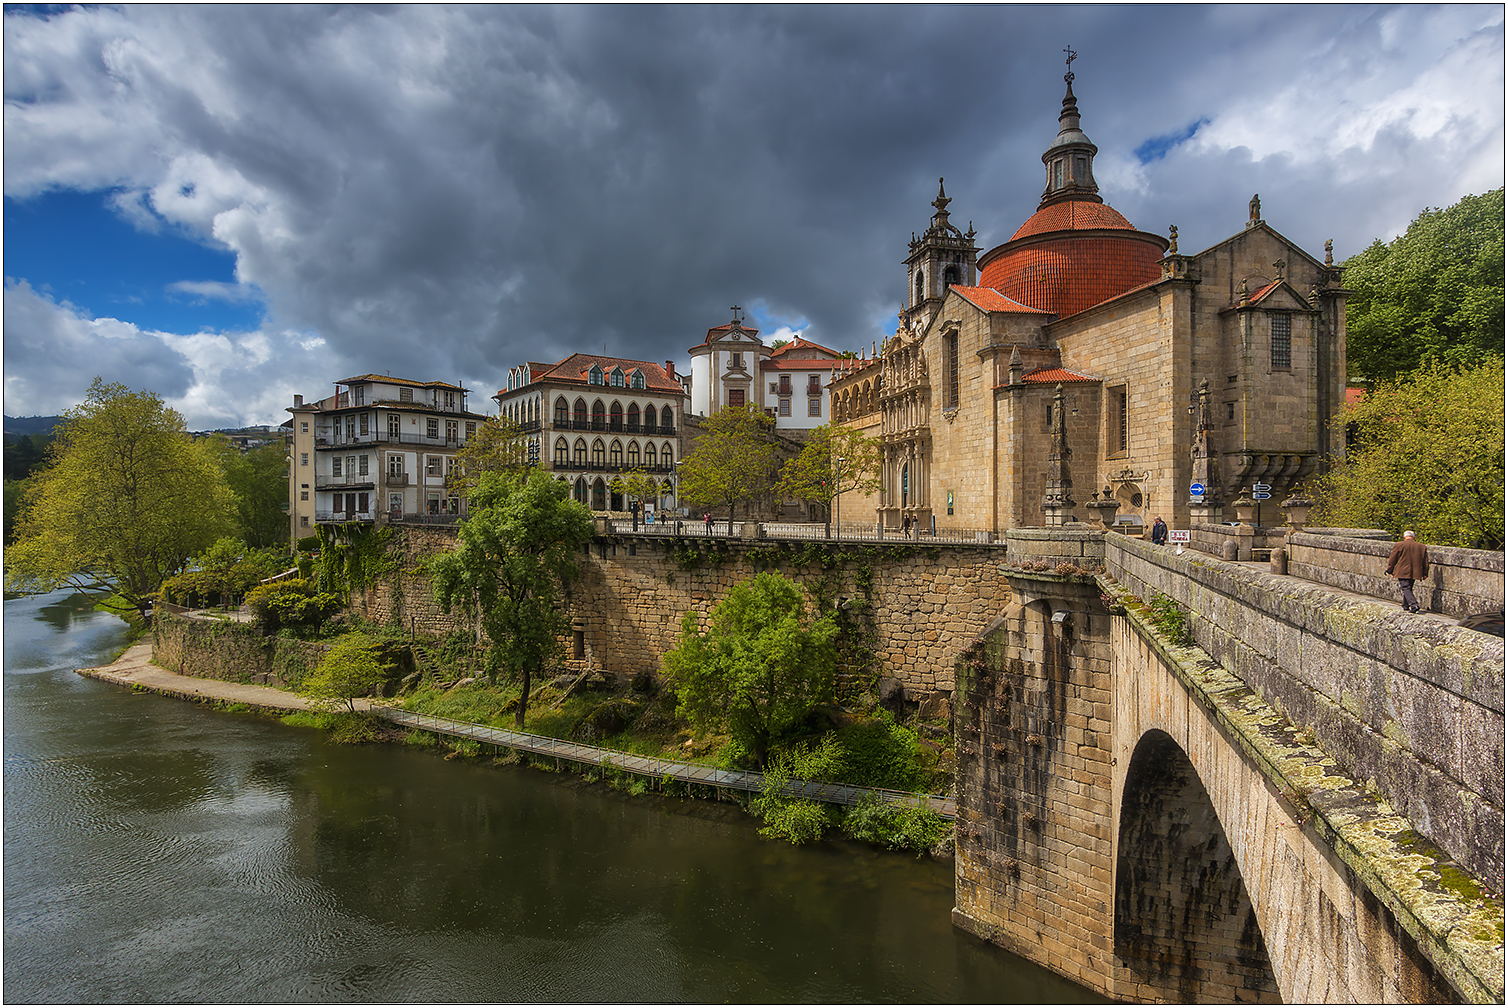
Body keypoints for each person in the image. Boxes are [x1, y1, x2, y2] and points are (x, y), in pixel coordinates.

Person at [1385, 530, 1429, 613]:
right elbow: (1425, 562)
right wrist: (1425, 573)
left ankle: (1414, 605)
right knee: (1408, 588)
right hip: (1416, 571)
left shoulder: (1399, 545)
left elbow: (1393, 558)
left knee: (1406, 588)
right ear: (1414, 537)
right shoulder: (1422, 546)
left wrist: (1389, 569)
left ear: (1404, 537)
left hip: (1402, 571)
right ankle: (1405, 605)